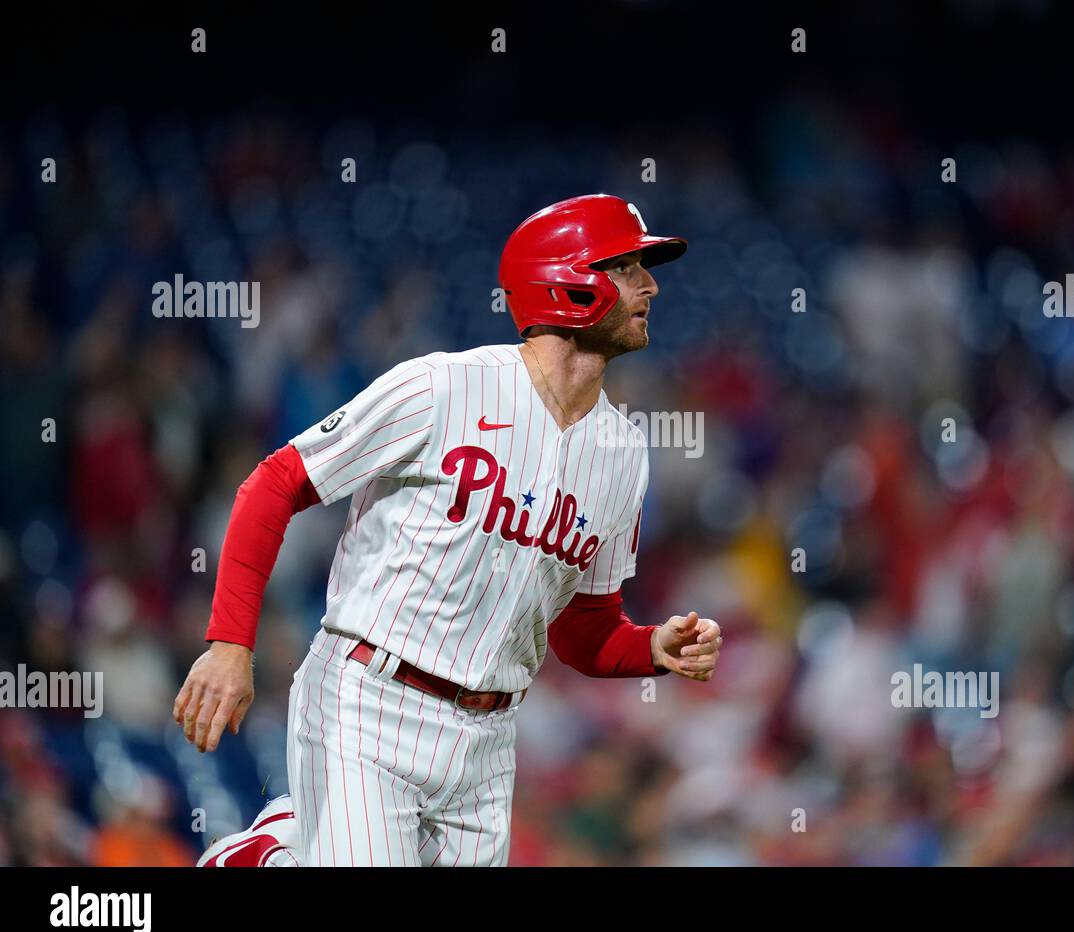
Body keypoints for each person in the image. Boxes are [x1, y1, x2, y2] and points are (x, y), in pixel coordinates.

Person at [173, 194, 723, 866]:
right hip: (371, 696)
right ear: (568, 280)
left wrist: (650, 649)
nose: (650, 285)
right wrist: (230, 644)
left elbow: (584, 629)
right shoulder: (442, 388)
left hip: (489, 740)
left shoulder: (623, 454)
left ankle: (296, 846)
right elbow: (275, 483)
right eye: (629, 267)